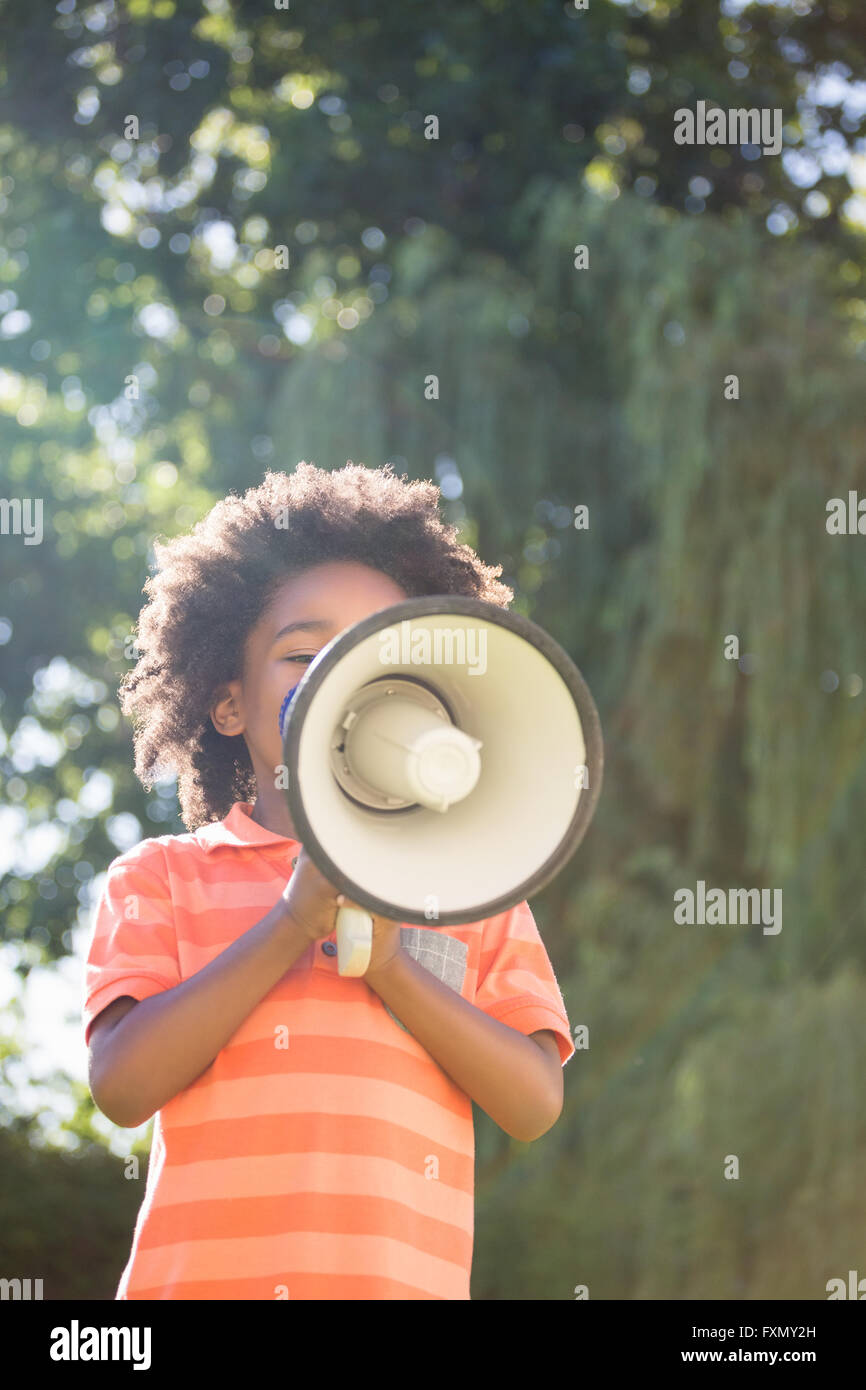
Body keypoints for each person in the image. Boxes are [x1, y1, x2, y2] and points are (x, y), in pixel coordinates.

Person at [82, 461, 575, 1299]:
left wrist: (390, 968)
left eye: (380, 653)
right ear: (228, 703)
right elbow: (124, 1087)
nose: (342, 679)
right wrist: (288, 924)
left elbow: (533, 1102)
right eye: (306, 654)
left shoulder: (478, 885)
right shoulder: (163, 877)